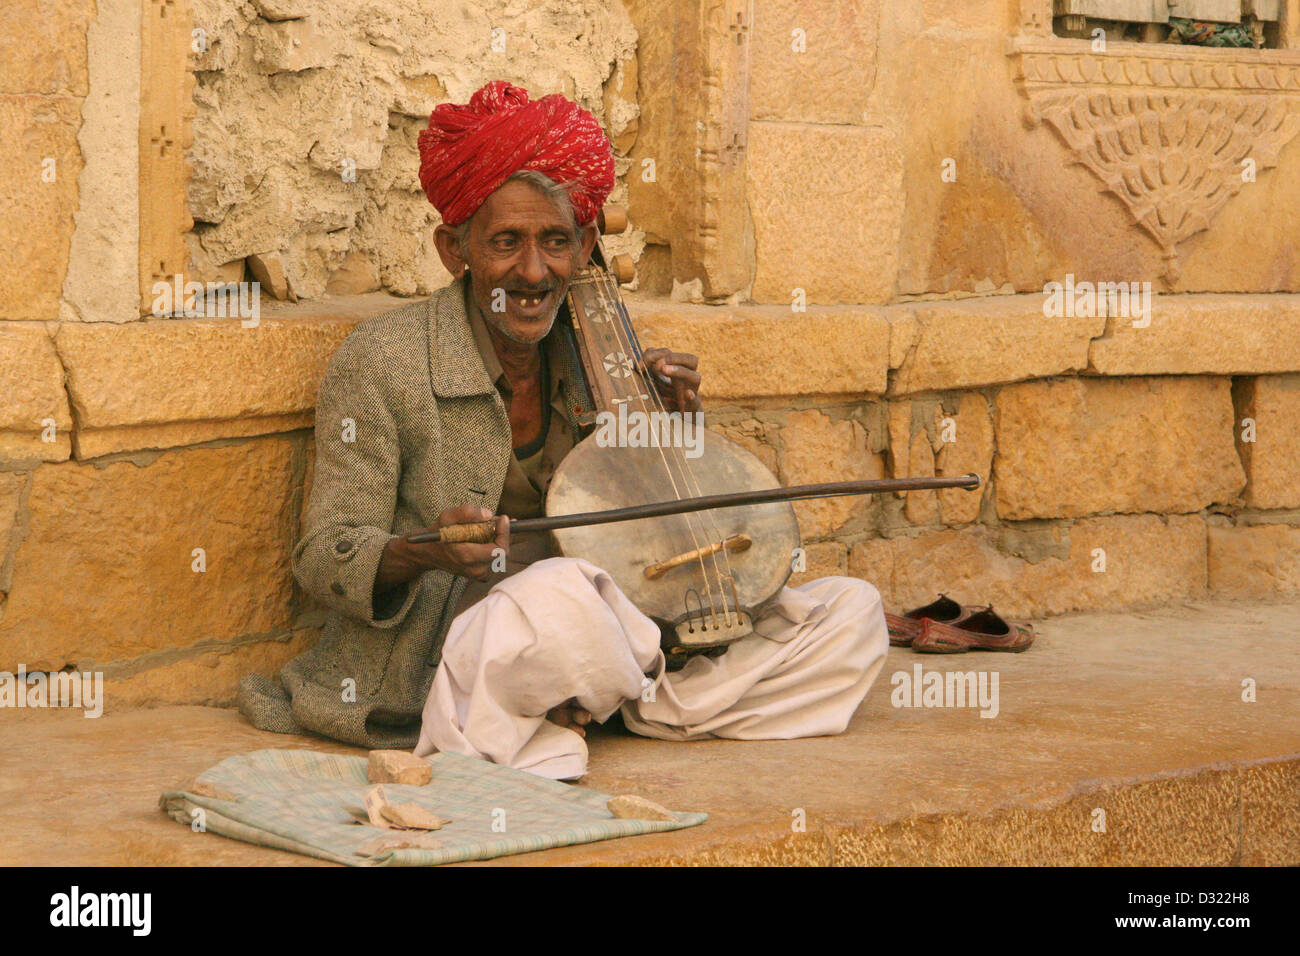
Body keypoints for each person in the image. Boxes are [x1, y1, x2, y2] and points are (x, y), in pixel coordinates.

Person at [238, 81, 889, 779]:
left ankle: (614, 705)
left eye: (556, 242)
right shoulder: (383, 363)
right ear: (454, 250)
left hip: (616, 622)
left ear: (584, 247)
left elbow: (651, 530)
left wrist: (677, 434)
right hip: (480, 629)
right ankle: (619, 701)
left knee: (853, 612)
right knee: (558, 598)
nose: (533, 271)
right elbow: (324, 556)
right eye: (506, 244)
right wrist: (427, 550)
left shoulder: (601, 351)